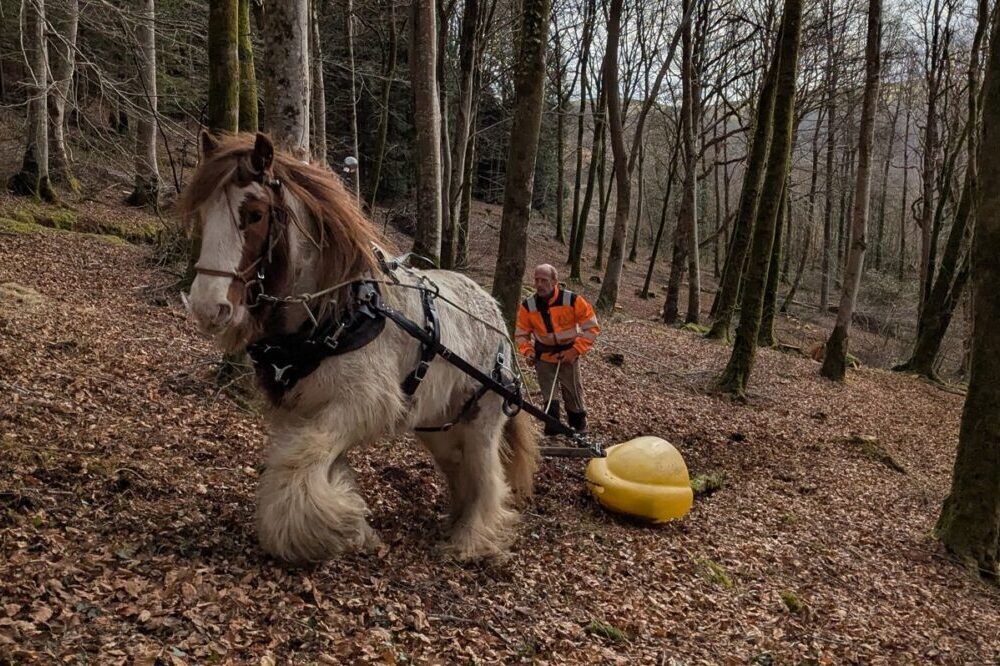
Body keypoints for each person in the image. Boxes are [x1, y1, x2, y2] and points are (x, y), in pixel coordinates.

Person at [515, 264, 600, 435]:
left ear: (555, 281)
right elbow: (521, 334)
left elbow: (591, 328)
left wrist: (575, 351)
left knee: (573, 393)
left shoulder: (573, 300)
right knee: (549, 396)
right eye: (537, 280)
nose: (539, 284)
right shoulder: (528, 306)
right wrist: (528, 352)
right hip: (543, 357)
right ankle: (553, 431)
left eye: (544, 280)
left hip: (568, 355)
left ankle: (579, 428)